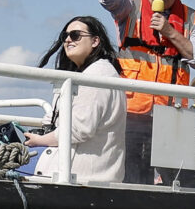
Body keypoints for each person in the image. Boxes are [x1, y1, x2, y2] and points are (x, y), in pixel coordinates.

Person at [86, 0, 195, 181]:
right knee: (130, 175)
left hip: (172, 115)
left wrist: (170, 32)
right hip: (132, 113)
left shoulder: (190, 17)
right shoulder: (131, 7)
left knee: (176, 180)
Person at [25, 16, 128, 183]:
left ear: (95, 41)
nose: (67, 40)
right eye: (64, 36)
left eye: (75, 35)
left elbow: (79, 128)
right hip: (70, 166)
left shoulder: (97, 75)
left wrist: (39, 141)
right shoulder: (80, 76)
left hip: (81, 174)